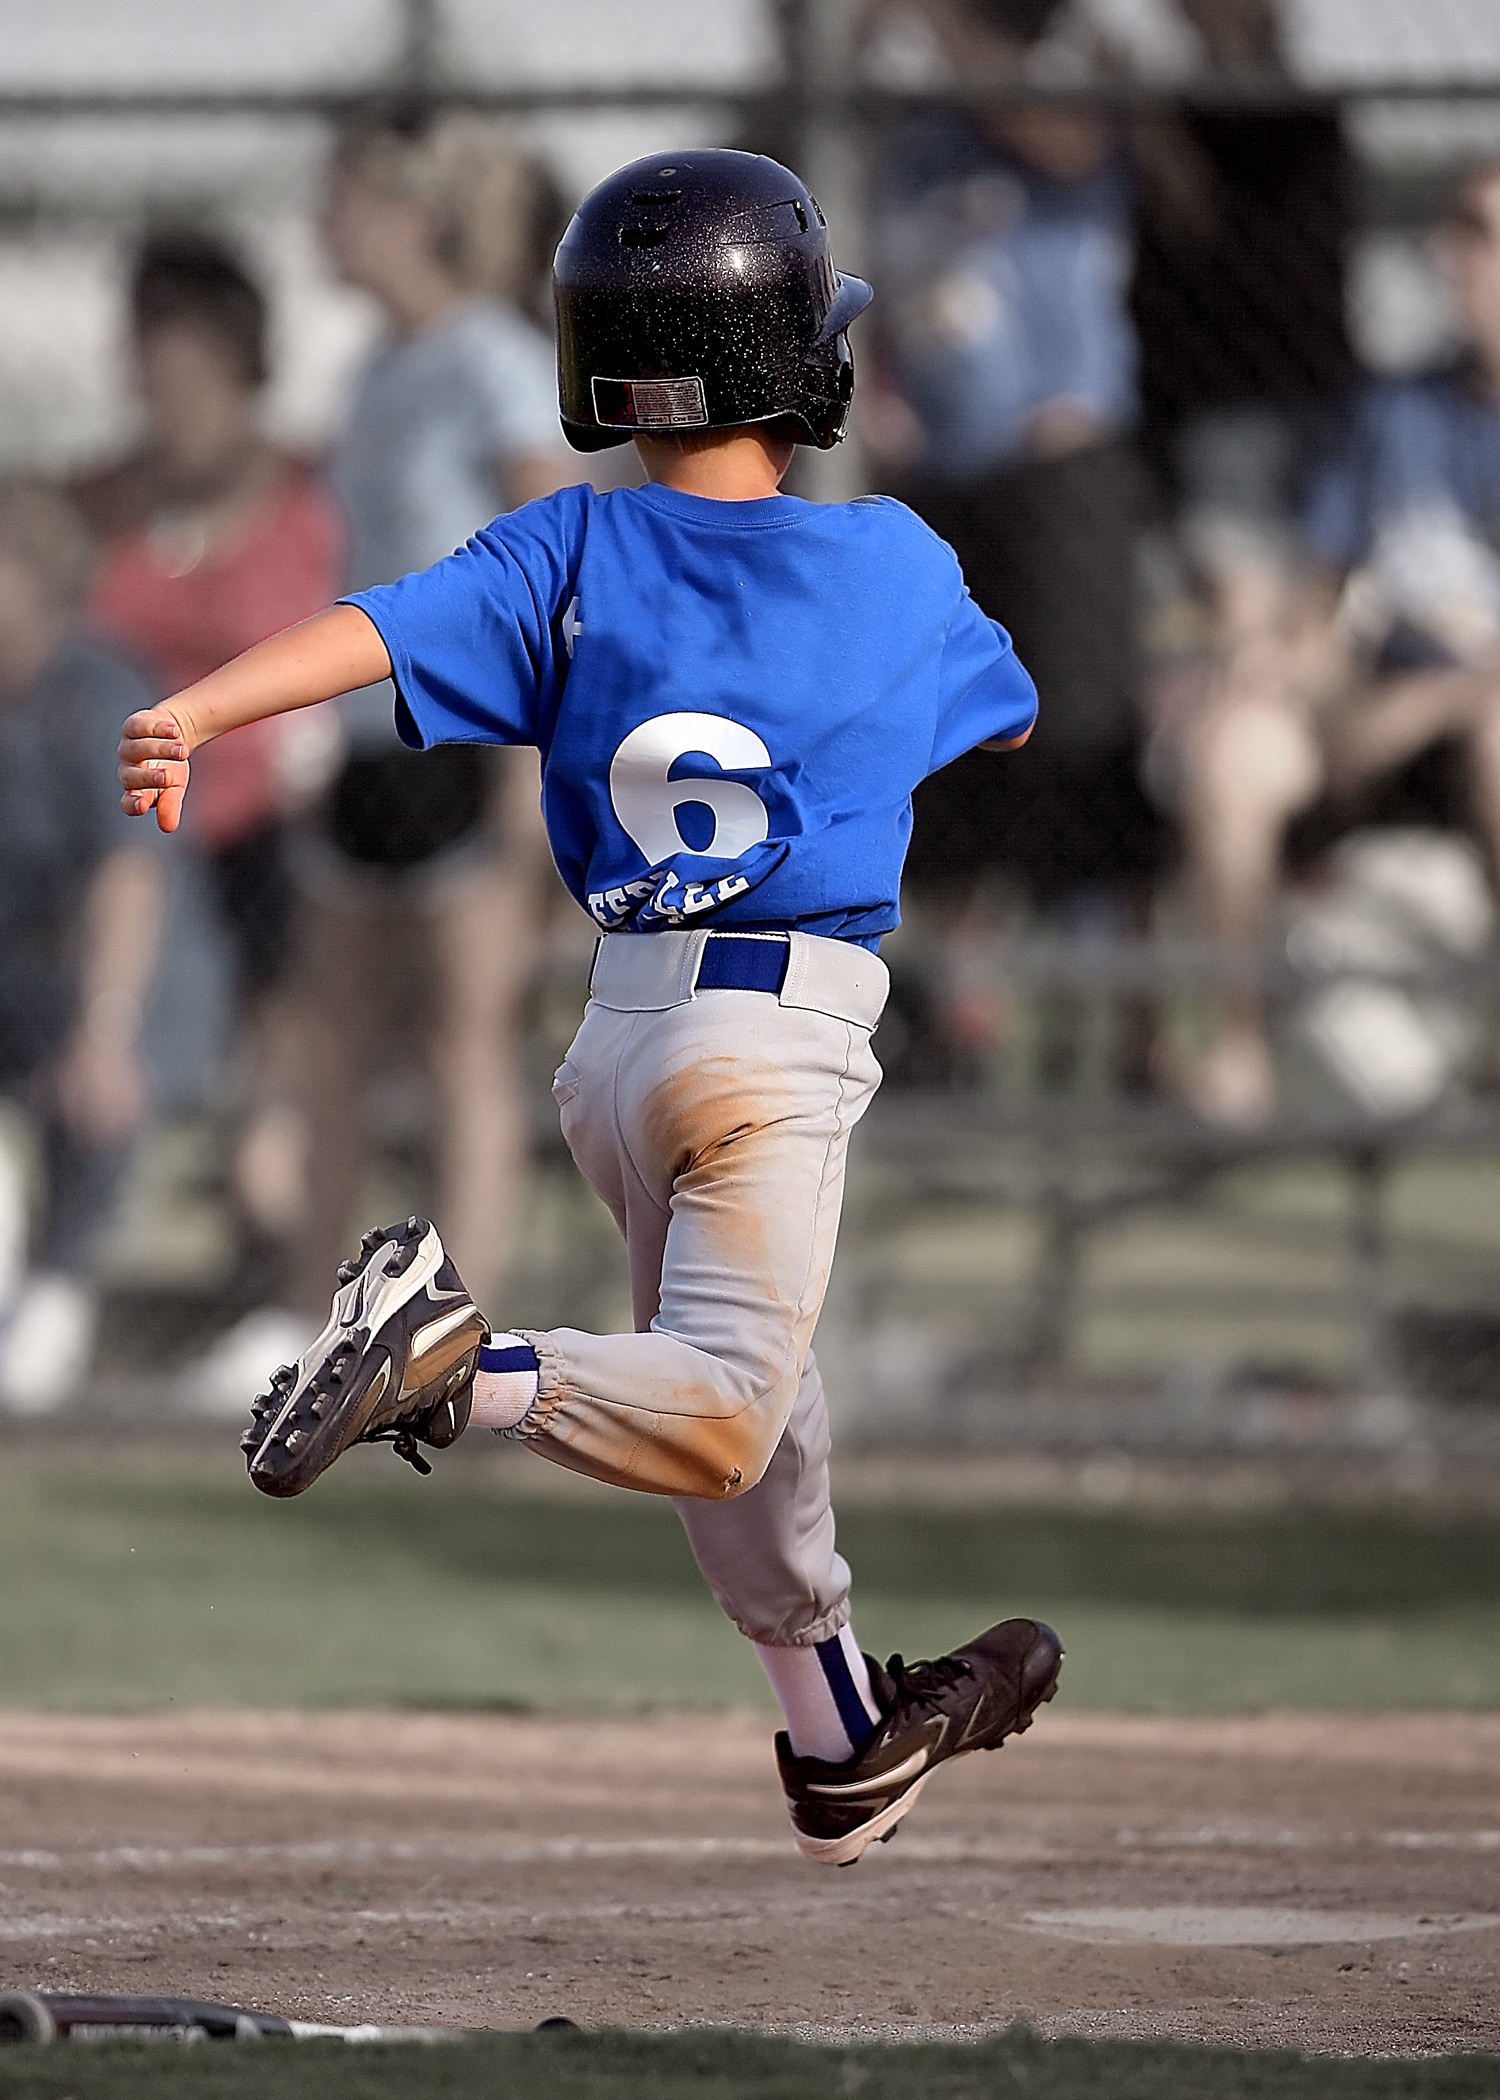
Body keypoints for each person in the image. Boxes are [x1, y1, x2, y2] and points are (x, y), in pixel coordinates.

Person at [118, 149, 1063, 1865]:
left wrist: (197, 708)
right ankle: (444, 1372)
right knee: (719, 1409)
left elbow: (369, 634)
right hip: (774, 1047)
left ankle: (837, 1734)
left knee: (759, 1421)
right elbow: (1007, 716)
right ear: (796, 364)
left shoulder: (565, 549)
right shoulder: (895, 564)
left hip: (620, 1047)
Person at [284, 114, 573, 1362]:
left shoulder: (493, 362)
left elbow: (556, 570)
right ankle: (311, 1323)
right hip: (367, 747)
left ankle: (454, 1337)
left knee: (467, 1042)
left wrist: (536, 773)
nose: (325, 226)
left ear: (415, 218)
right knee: (332, 1041)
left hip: (471, 749)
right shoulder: (372, 370)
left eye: (347, 201)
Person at [867, 0, 1160, 1086]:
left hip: (1063, 469)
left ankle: (1125, 1030)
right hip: (949, 477)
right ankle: (952, 1022)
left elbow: (1070, 141)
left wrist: (951, 31)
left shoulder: (1055, 94)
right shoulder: (908, 134)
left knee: (1081, 738)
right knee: (942, 748)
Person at [1173, 157, 1500, 1119]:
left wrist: (1455, 697)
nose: (1458, 258)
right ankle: (1241, 1054)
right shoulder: (1396, 414)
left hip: (1475, 726)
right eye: (1457, 233)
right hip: (1386, 712)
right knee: (1237, 748)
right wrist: (1265, 666)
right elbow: (1321, 610)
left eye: (1485, 236)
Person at [79, 234, 345, 1347]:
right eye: (154, 364)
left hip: (260, 823)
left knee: (297, 881)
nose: (173, 394)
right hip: (123, 829)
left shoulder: (310, 503)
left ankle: (269, 1181)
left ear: (244, 367)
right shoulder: (91, 506)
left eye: (198, 366)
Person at [0, 483, 166, 1412]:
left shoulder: (100, 691)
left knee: (97, 1080)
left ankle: (56, 1295)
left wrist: (104, 1029)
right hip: (15, 971)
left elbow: (129, 877)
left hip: (130, 971)